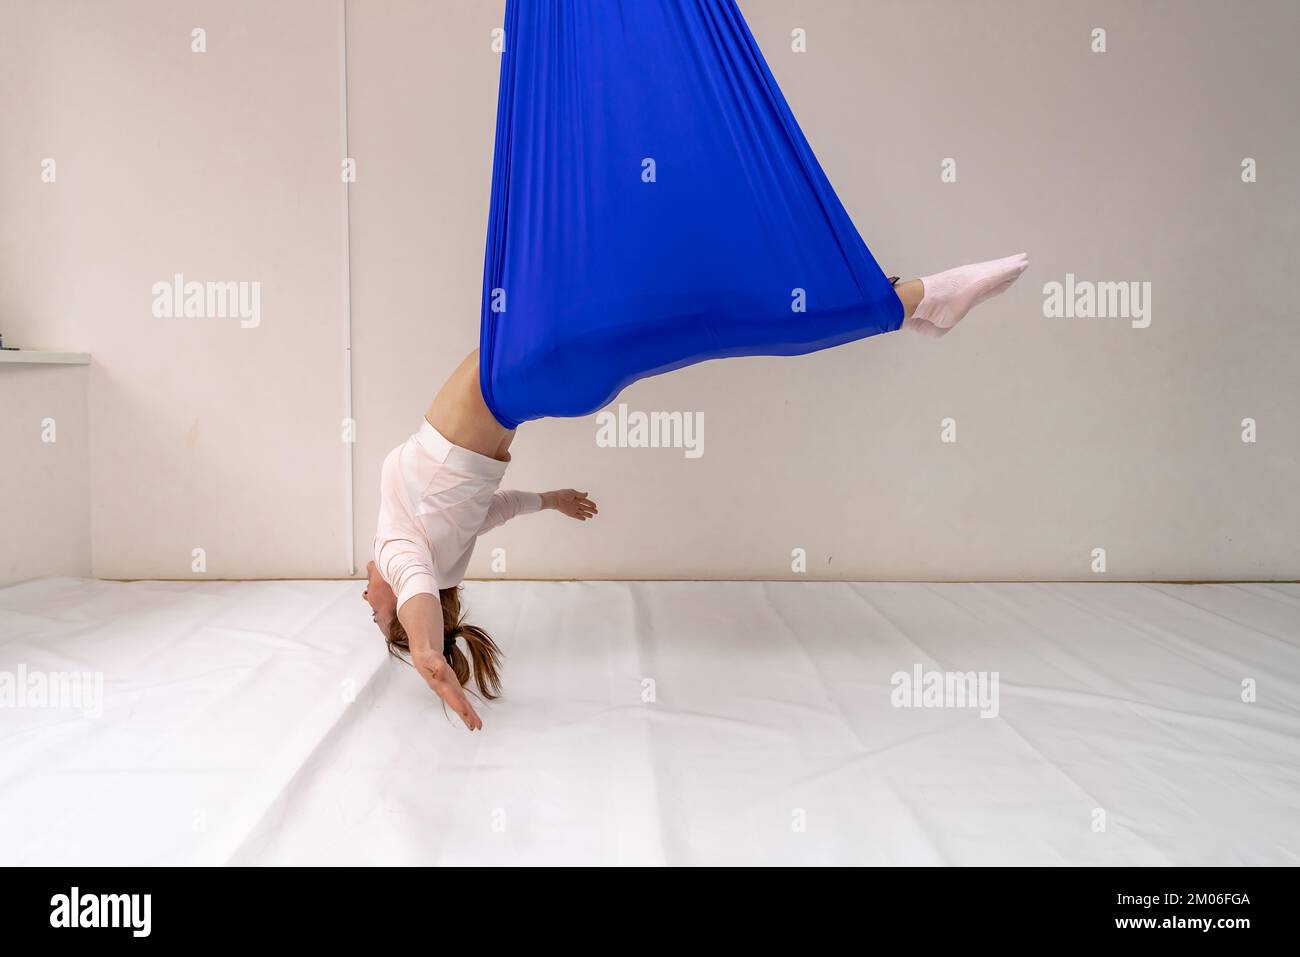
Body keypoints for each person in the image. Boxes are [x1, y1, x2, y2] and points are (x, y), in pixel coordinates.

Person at [364, 253, 1028, 729]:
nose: (367, 598)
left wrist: (553, 498)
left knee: (690, 308)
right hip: (531, 366)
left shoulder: (432, 540)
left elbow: (492, 511)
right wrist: (426, 649)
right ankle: (902, 301)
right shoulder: (404, 550)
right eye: (374, 611)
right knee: (692, 308)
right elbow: (417, 589)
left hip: (545, 374)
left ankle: (903, 302)